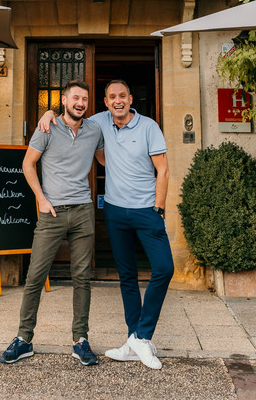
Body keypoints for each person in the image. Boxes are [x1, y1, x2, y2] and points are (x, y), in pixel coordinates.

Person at [38, 79, 173, 370]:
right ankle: (133, 340)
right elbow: (69, 116)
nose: (117, 100)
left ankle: (141, 335)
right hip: (114, 210)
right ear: (106, 102)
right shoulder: (98, 122)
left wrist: (159, 207)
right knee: (127, 276)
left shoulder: (148, 126)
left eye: (122, 95)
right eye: (112, 97)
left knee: (164, 268)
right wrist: (47, 113)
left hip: (147, 209)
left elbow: (163, 169)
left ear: (130, 98)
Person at [0, 80, 104, 366]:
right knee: (35, 276)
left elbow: (106, 160)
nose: (80, 103)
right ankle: (23, 339)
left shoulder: (95, 130)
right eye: (75, 98)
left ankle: (80, 340)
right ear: (64, 100)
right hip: (51, 212)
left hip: (83, 211)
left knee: (82, 278)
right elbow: (27, 164)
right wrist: (41, 200)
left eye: (84, 98)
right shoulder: (47, 127)